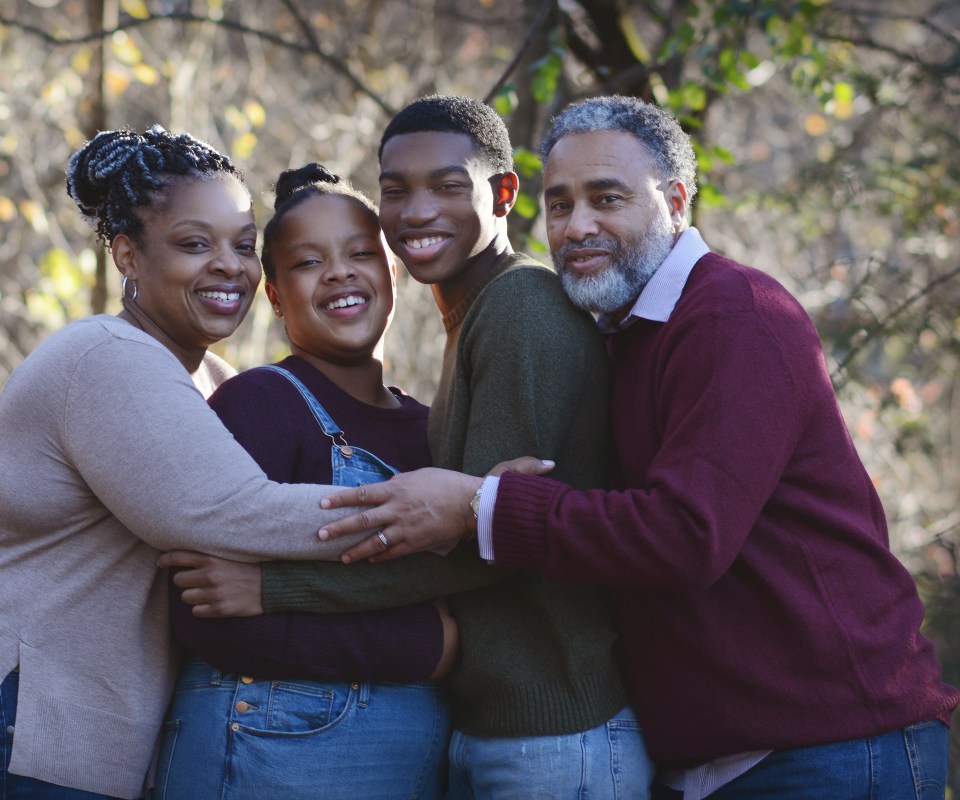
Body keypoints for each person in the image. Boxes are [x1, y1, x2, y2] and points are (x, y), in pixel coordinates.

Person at [315, 95, 960, 798]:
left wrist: (484, 507)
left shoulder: (734, 316)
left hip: (830, 745)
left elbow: (688, 534)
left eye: (607, 198)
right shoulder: (623, 330)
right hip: (722, 755)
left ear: (676, 200)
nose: (578, 226)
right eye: (560, 205)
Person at [0, 128, 386, 800]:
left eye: (244, 243)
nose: (231, 266)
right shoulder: (106, 357)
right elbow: (234, 514)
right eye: (195, 244)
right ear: (127, 256)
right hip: (0, 718)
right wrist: (439, 509)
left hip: (58, 735)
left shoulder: (208, 380)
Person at [166, 96, 653, 798]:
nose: (418, 211)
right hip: (474, 731)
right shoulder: (454, 334)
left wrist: (277, 588)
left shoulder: (520, 305)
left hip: (553, 732)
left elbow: (492, 535)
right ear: (275, 294)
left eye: (448, 185)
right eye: (396, 191)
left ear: (503, 193)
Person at [151, 163, 455, 798]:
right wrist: (427, 644)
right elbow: (205, 613)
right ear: (276, 296)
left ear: (392, 272)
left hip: (415, 759)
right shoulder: (260, 402)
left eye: (360, 254)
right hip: (269, 747)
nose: (340, 272)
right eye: (309, 262)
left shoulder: (434, 427)